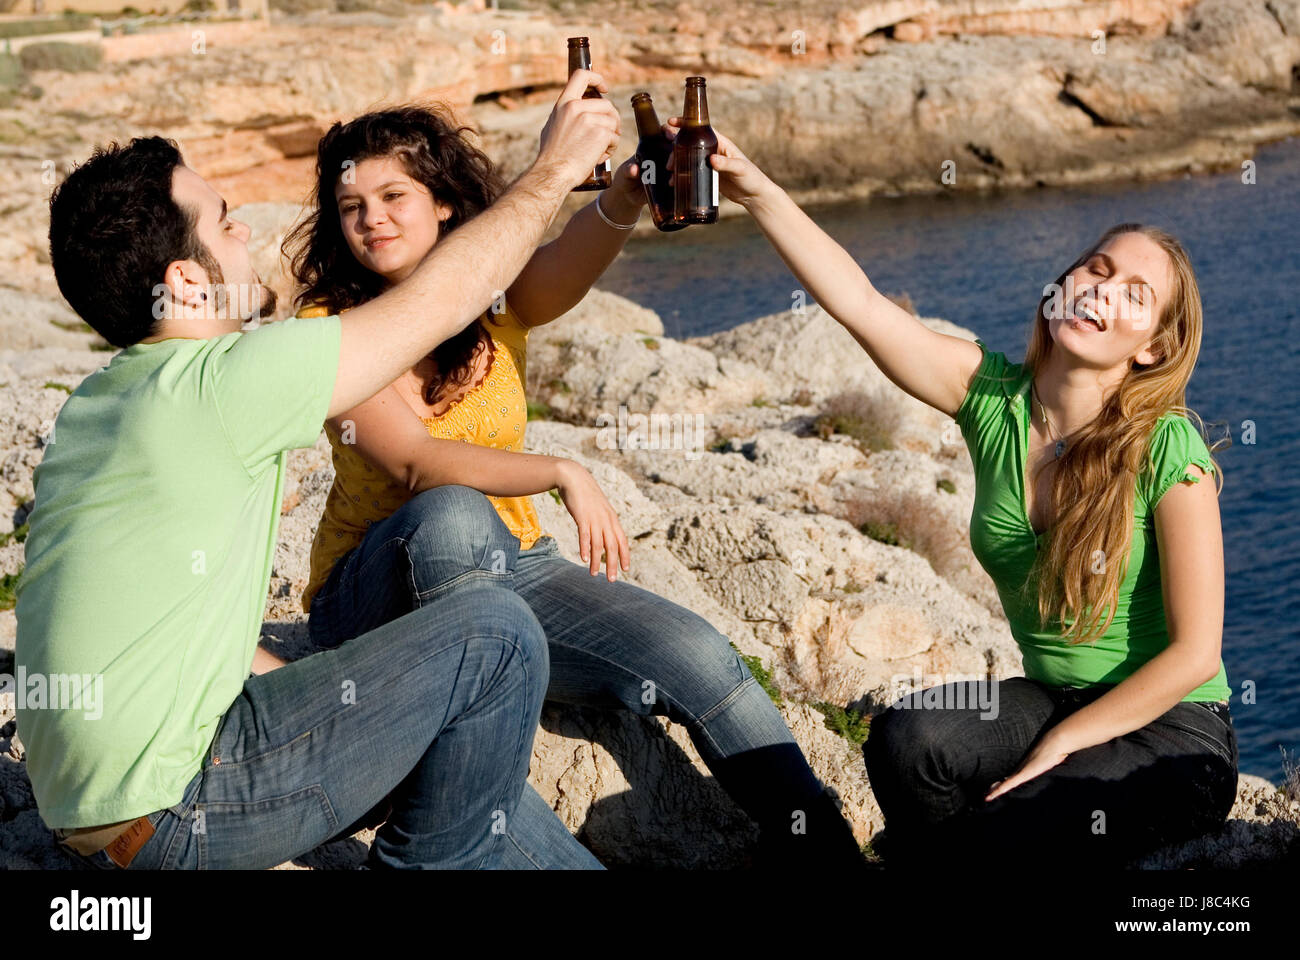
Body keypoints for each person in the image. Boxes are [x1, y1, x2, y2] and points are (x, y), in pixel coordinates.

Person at [15, 68, 622, 870]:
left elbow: (167, 621)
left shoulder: (103, 403)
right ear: (187, 281)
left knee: (442, 741)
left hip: (107, 812)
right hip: (174, 810)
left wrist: (325, 683)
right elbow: (445, 299)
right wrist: (555, 171)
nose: (245, 234)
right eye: (224, 222)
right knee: (498, 637)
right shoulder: (225, 383)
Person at [282, 103, 865, 868]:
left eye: (394, 196)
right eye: (352, 205)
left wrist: (625, 192)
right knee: (450, 513)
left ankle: (826, 853)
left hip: (510, 568)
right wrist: (561, 470)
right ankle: (463, 738)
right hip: (372, 600)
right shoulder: (329, 325)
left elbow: (568, 261)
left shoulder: (495, 298)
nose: (372, 219)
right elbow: (415, 463)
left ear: (444, 202)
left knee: (696, 653)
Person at [684, 117, 1238, 864]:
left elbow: (1197, 652)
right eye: (1097, 269)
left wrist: (1070, 742)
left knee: (1008, 832)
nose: (1102, 292)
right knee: (908, 740)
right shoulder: (992, 399)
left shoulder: (1168, 446)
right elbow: (861, 304)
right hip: (1054, 700)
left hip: (1174, 730)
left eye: (1134, 294)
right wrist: (756, 190)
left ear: (1154, 347)